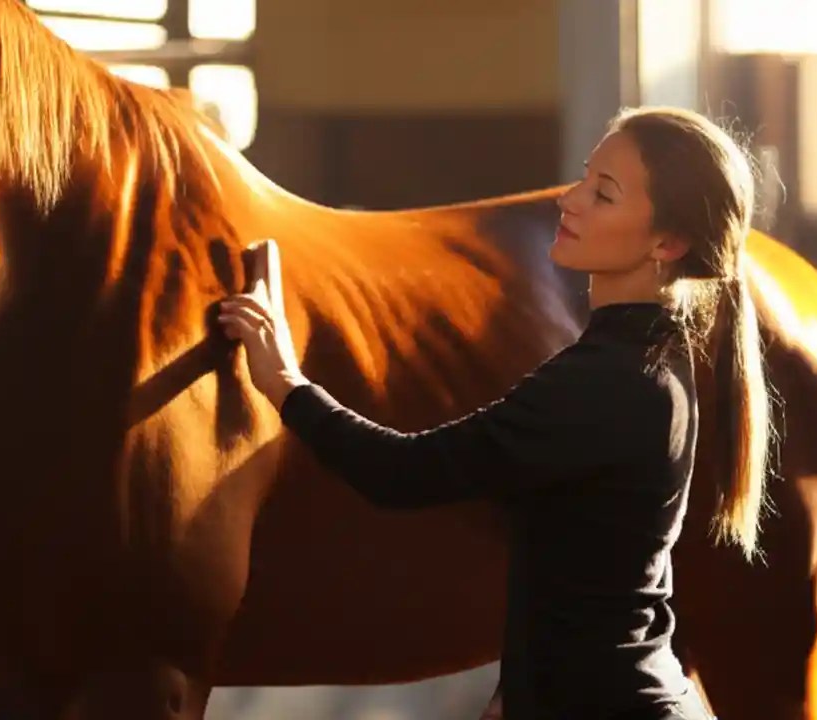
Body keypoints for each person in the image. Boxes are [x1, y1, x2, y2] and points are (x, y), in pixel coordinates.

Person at [218, 106, 770, 720]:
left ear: (666, 243)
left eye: (603, 195)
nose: (570, 199)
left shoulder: (606, 382)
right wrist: (523, 688)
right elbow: (598, 568)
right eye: (586, 178)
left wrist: (286, 382)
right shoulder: (650, 362)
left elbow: (402, 472)